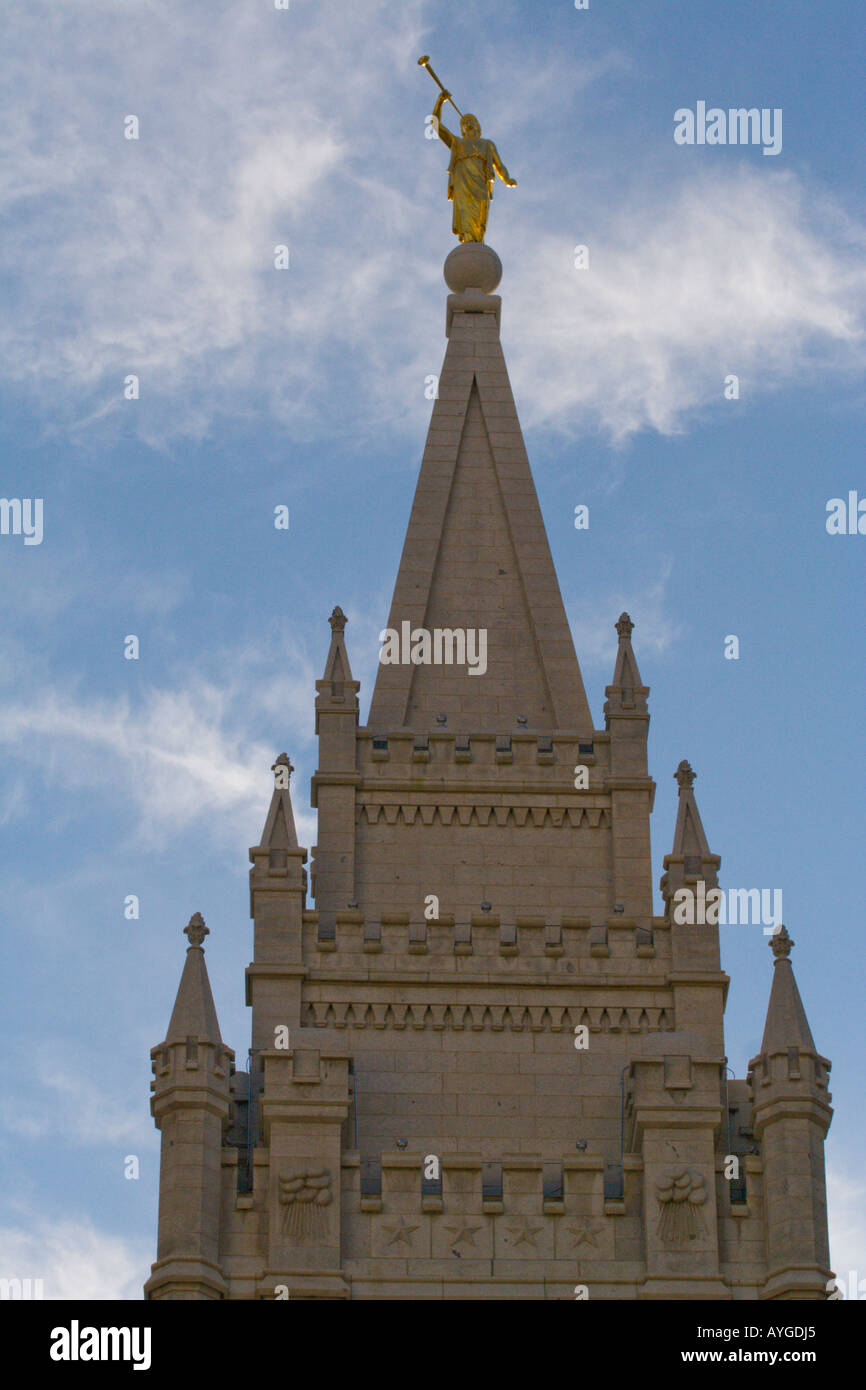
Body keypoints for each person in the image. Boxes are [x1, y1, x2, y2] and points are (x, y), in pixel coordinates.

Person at [432, 90, 516, 243]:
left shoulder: (487, 144)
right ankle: (468, 239)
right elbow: (435, 125)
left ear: (477, 125)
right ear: (462, 130)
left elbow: (499, 165)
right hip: (462, 183)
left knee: (480, 215)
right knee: (465, 214)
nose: (467, 123)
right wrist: (440, 101)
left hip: (480, 183)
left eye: (470, 121)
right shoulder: (457, 143)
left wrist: (507, 179)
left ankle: (477, 241)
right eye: (463, 123)